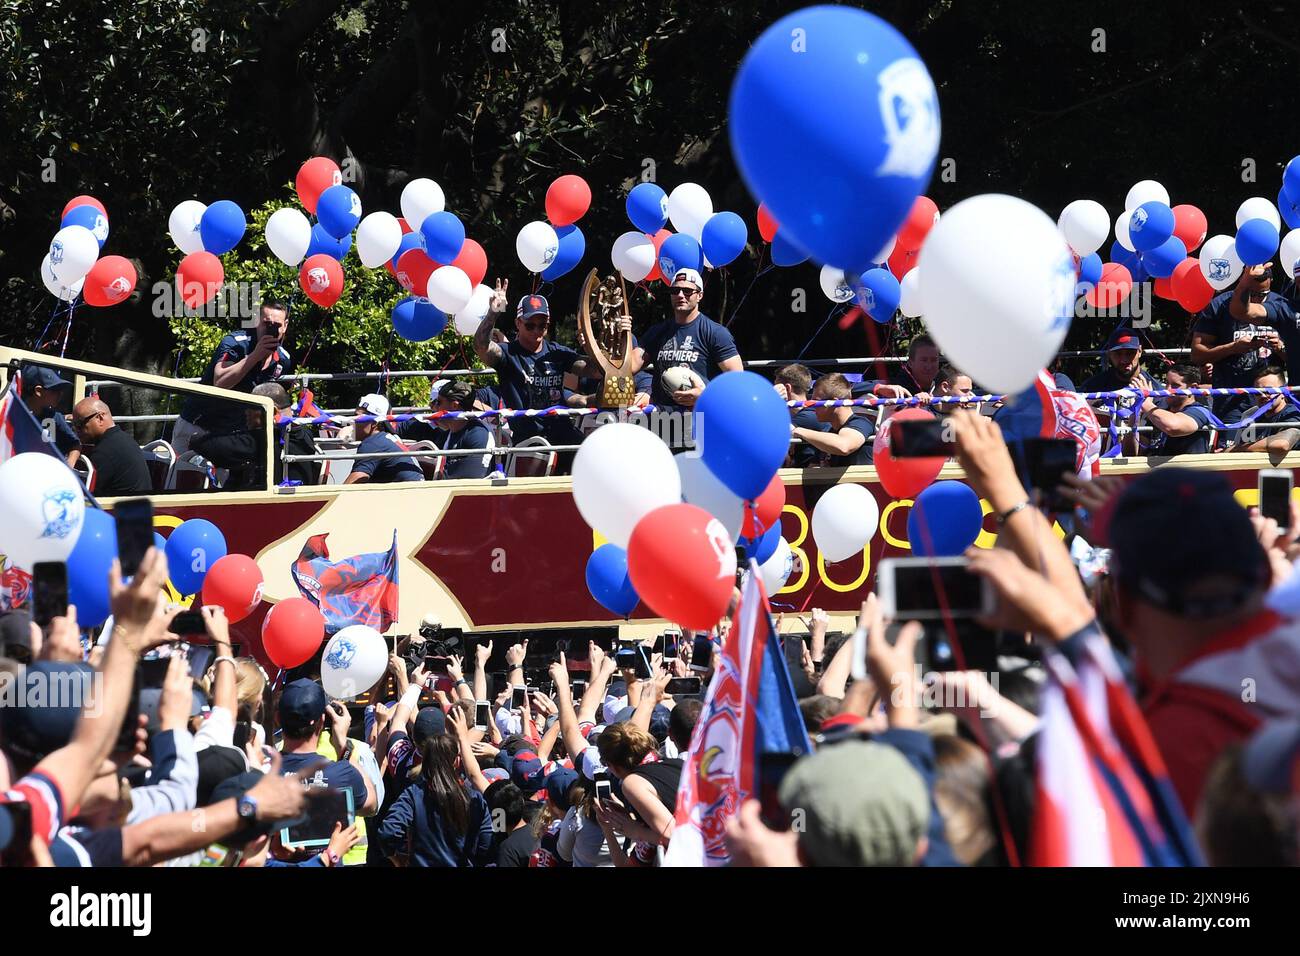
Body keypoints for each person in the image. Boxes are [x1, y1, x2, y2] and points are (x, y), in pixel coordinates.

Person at [472, 280, 586, 455]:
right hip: (530, 442)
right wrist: (493, 313)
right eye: (530, 325)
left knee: (591, 452)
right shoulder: (507, 354)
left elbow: (592, 369)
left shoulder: (557, 352)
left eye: (542, 325)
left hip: (563, 434)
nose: (537, 331)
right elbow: (481, 347)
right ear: (518, 323)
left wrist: (590, 345)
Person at [175, 301, 293, 457]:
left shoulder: (283, 360)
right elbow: (220, 382)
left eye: (277, 325)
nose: (271, 330)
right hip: (198, 424)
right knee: (183, 478)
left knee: (224, 480)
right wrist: (254, 357)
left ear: (284, 326)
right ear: (257, 321)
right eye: (266, 324)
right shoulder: (236, 344)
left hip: (230, 432)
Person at [623, 269, 744, 413]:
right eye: (675, 290)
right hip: (662, 420)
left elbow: (737, 380)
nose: (680, 295)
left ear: (700, 295)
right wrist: (621, 335)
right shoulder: (658, 332)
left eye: (687, 291)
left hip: (699, 419)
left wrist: (706, 396)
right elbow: (626, 367)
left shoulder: (715, 332)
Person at [1191, 261, 1296, 427]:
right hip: (1232, 399)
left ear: (1271, 283)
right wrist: (1233, 348)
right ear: (1243, 281)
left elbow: (1295, 358)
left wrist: (1281, 348)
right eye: (1252, 294)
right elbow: (1197, 354)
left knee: (1272, 446)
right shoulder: (1220, 305)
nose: (1256, 300)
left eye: (1262, 295)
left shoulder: (1282, 305)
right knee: (1231, 449)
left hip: (1272, 400)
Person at [376, 733, 495, 866]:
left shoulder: (413, 795)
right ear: (456, 761)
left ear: (425, 761)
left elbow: (387, 832)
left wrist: (397, 858)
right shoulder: (474, 798)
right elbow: (486, 844)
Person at [69, 396, 151, 496]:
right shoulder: (121, 438)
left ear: (100, 418)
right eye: (73, 424)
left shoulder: (105, 453)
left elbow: (83, 494)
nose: (76, 429)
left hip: (122, 509)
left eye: (79, 424)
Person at [791, 372, 876, 466]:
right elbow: (814, 467)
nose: (813, 406)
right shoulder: (829, 431)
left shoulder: (861, 423)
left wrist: (799, 431)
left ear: (834, 403)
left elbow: (844, 446)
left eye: (817, 402)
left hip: (859, 480)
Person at [344, 393, 424, 484]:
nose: (352, 421)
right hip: (414, 491)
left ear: (374, 423)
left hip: (407, 494)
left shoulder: (372, 444)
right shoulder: (387, 438)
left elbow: (352, 484)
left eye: (358, 418)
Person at [1140, 365, 1216, 458]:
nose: (1168, 389)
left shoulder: (1200, 411)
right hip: (1156, 471)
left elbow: (1173, 427)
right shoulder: (1158, 413)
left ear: (1193, 388)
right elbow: (1133, 452)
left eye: (1175, 385)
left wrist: (1146, 404)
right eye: (1166, 383)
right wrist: (1134, 417)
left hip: (1187, 471)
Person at [1231, 366, 1300, 459]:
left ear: (1283, 392)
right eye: (1258, 392)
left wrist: (1236, 449)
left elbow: (1282, 444)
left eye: (1269, 391)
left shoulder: (1293, 413)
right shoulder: (1250, 415)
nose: (1263, 395)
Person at [18, 364, 80, 467]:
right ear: (38, 391)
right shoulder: (16, 413)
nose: (61, 394)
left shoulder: (54, 417)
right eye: (55, 390)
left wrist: (69, 465)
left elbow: (75, 444)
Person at [432, 380, 493, 479]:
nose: (435, 407)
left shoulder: (478, 435)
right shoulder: (448, 433)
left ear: (454, 406)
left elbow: (472, 477)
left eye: (439, 402)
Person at [774, 363, 829, 467]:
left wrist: (772, 400)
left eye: (776, 387)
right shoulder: (803, 414)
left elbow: (765, 433)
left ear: (787, 389)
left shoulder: (808, 417)